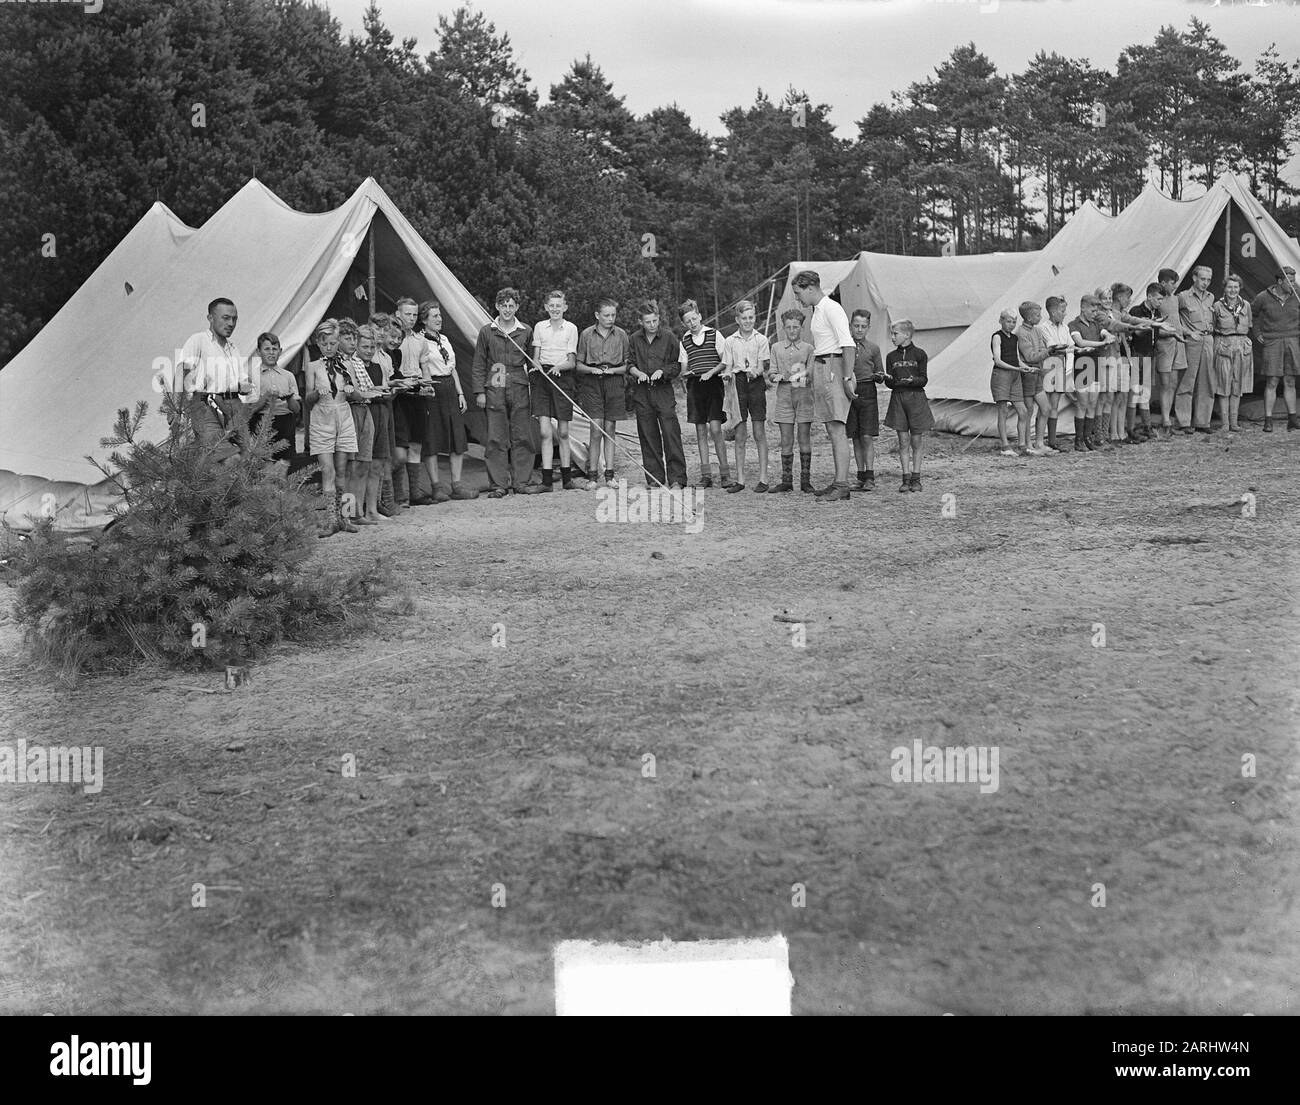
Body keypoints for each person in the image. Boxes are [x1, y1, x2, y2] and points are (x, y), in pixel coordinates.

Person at [790, 271, 856, 502]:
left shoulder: (832, 308)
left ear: (810, 288)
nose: (798, 299)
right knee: (831, 427)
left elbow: (848, 345)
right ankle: (838, 481)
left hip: (833, 368)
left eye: (798, 293)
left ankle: (843, 485)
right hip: (821, 366)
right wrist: (809, 371)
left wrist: (847, 378)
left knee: (838, 428)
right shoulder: (817, 311)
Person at [473, 287, 539, 497]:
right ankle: (499, 484)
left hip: (519, 384)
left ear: (517, 307)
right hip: (495, 385)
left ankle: (521, 481)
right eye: (504, 305)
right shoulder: (487, 331)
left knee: (522, 436)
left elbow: (533, 363)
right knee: (496, 437)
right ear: (497, 306)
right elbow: (479, 363)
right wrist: (479, 392)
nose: (507, 310)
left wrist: (534, 391)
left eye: (511, 306)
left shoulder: (526, 330)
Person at [302, 319, 359, 535]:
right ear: (318, 343)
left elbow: (356, 393)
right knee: (328, 470)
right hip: (322, 417)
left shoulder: (347, 365)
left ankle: (345, 517)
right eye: (325, 343)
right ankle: (330, 520)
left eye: (334, 343)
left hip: (343, 415)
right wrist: (317, 393)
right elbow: (307, 399)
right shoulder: (313, 367)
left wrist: (352, 390)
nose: (330, 347)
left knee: (344, 470)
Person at [174, 298, 251, 456]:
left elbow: (242, 380)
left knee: (247, 455)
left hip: (234, 406)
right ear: (210, 318)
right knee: (226, 457)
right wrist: (176, 410)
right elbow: (181, 372)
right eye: (226, 318)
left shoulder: (233, 347)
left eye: (234, 319)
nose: (231, 323)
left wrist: (244, 385)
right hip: (206, 407)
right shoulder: (198, 340)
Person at [418, 301, 477, 501]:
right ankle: (436, 486)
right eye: (434, 316)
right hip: (432, 389)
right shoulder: (419, 340)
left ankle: (456, 485)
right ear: (424, 320)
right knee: (432, 437)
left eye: (440, 315)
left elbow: (452, 369)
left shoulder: (444, 339)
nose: (439, 319)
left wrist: (461, 394)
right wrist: (427, 389)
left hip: (450, 388)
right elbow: (423, 367)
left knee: (457, 435)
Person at [678, 299, 738, 490]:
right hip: (696, 387)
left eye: (694, 319)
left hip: (713, 385)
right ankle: (706, 476)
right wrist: (685, 374)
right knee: (700, 431)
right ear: (683, 323)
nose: (692, 324)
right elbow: (684, 366)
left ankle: (725, 474)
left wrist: (711, 372)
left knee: (715, 429)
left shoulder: (714, 334)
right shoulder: (685, 340)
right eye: (687, 321)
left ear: (700, 316)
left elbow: (725, 361)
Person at [628, 301, 687, 489]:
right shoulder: (634, 339)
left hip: (663, 392)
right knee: (648, 435)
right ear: (641, 322)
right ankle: (654, 478)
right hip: (642, 393)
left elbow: (676, 365)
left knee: (671, 434)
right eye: (648, 322)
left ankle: (677, 478)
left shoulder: (669, 337)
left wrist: (662, 372)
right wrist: (638, 373)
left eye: (655, 321)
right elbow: (629, 364)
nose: (652, 325)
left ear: (659, 319)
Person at [530, 290, 585, 491]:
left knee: (562, 431)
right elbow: (536, 356)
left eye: (558, 305)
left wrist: (558, 368)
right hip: (542, 379)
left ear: (565, 307)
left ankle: (567, 479)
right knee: (545, 432)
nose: (555, 309)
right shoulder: (539, 327)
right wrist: (538, 367)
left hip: (563, 378)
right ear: (546, 307)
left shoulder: (571, 328)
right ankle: (546, 481)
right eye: (551, 305)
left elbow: (571, 361)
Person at [576, 298, 632, 488]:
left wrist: (612, 371)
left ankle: (610, 475)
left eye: (613, 315)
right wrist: (592, 370)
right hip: (592, 382)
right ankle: (592, 475)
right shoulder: (586, 335)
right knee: (595, 427)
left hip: (614, 381)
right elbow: (579, 364)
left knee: (610, 428)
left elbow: (627, 365)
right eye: (606, 315)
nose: (610, 319)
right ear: (597, 316)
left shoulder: (622, 335)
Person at [722, 300, 772, 492]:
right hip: (738, 384)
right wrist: (727, 375)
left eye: (751, 317)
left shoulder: (761, 339)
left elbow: (761, 366)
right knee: (740, 433)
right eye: (744, 318)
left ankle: (763, 479)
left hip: (755, 383)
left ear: (755, 318)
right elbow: (728, 366)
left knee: (759, 432)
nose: (748, 321)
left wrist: (756, 373)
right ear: (737, 319)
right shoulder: (730, 341)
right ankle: (741, 480)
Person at [768, 308, 816, 493]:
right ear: (783, 328)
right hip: (784, 398)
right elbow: (771, 374)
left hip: (803, 397)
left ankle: (806, 481)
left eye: (796, 327)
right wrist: (778, 376)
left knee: (804, 437)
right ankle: (786, 481)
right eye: (788, 327)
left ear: (801, 328)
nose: (792, 330)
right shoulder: (776, 347)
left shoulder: (809, 348)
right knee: (786, 439)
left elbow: (811, 376)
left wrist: (799, 376)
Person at [883, 319, 933, 492]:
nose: (892, 337)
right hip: (898, 399)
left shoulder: (920, 354)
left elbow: (924, 379)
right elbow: (891, 382)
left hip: (916, 399)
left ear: (907, 335)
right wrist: (886, 379)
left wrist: (913, 381)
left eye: (895, 334)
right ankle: (905, 478)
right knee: (903, 440)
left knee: (916, 440)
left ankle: (916, 477)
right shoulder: (891, 357)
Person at [391, 297, 432, 506]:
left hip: (416, 394)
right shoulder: (393, 338)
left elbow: (425, 367)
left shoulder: (420, 340)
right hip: (399, 396)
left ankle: (414, 493)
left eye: (415, 315)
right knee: (400, 445)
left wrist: (428, 385)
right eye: (407, 314)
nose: (411, 318)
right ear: (398, 314)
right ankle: (399, 495)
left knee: (416, 443)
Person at [352, 324, 393, 523]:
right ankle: (355, 510)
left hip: (381, 413)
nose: (369, 351)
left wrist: (390, 392)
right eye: (365, 347)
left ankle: (372, 510)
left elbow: (386, 392)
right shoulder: (353, 367)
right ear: (357, 346)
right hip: (364, 412)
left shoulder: (378, 367)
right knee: (360, 465)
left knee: (377, 464)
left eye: (372, 347)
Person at [1251, 265, 1300, 432]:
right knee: (1272, 381)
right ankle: (1268, 419)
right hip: (1272, 341)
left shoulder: (1297, 294)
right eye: (1290, 282)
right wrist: (1257, 332)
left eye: (1294, 281)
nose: (1293, 285)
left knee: (1290, 380)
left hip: (1292, 340)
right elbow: (1253, 315)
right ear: (1279, 281)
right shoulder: (1263, 297)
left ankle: (1292, 419)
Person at [248, 332, 300, 462]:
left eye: (274, 349)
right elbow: (250, 409)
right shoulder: (252, 377)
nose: (271, 353)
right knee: (262, 464)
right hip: (262, 423)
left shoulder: (289, 376)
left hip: (286, 423)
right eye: (267, 349)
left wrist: (289, 399)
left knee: (286, 464)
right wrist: (266, 397)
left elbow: (297, 409)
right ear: (258, 352)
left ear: (280, 351)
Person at [847, 309, 885, 487]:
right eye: (856, 326)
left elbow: (880, 371)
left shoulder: (873, 348)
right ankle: (860, 475)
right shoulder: (845, 347)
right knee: (855, 436)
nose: (859, 330)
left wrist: (878, 376)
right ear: (850, 326)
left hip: (868, 391)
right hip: (849, 392)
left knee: (867, 436)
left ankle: (870, 476)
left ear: (868, 328)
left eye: (863, 326)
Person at [1177, 265, 1217, 434]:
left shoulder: (1211, 297)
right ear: (1194, 278)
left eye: (1208, 280)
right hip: (1192, 341)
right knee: (1188, 380)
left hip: (1207, 340)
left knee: (1206, 381)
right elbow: (1175, 320)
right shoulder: (1183, 297)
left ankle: (1203, 421)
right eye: (1202, 279)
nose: (1205, 283)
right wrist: (1188, 332)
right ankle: (1184, 421)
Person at [1212, 274, 1253, 433]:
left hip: (1242, 346)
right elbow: (1213, 326)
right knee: (1223, 385)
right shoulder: (1217, 306)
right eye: (1229, 287)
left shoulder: (1246, 305)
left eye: (1236, 287)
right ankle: (1224, 423)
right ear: (1224, 288)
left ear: (1240, 288)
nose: (1232, 290)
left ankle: (1234, 423)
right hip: (1224, 344)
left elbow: (1248, 325)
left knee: (1238, 385)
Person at [1068, 294, 1109, 452]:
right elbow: (1080, 342)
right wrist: (1102, 343)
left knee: (1093, 403)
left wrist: (1107, 336)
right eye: (1092, 310)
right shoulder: (1074, 325)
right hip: (1082, 366)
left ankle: (1087, 437)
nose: (1094, 313)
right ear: (1083, 307)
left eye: (1096, 310)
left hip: (1096, 364)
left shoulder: (1096, 324)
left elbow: (1105, 332)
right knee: (1082, 403)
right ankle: (1078, 440)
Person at [1035, 296, 1074, 452]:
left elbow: (1070, 345)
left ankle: (1052, 440)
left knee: (1055, 404)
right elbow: (1053, 345)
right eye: (1062, 311)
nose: (1064, 314)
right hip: (1048, 365)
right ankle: (1040, 439)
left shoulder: (1065, 328)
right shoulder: (1044, 327)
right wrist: (1065, 348)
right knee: (1045, 404)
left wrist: (1069, 349)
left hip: (1060, 365)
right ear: (1052, 311)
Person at [1015, 302, 1055, 453]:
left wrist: (1046, 352)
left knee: (1046, 408)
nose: (1040, 317)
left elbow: (1041, 349)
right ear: (1029, 317)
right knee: (1029, 410)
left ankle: (1039, 442)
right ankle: (1027, 444)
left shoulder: (1037, 331)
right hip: (1027, 375)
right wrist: (1048, 353)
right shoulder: (1021, 333)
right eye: (1037, 315)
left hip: (1037, 373)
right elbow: (1030, 356)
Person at [991, 308, 1029, 457]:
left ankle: (1022, 445)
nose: (1011, 324)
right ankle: (1005, 445)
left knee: (1023, 410)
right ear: (1001, 321)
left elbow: (1017, 358)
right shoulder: (997, 337)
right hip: (1001, 375)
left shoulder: (1014, 338)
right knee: (1003, 410)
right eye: (1008, 321)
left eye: (1014, 321)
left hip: (1014, 375)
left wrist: (1027, 368)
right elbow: (998, 359)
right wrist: (1015, 367)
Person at [1154, 268, 1186, 436]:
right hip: (1164, 344)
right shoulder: (1157, 301)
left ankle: (1168, 419)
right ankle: (1165, 419)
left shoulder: (1175, 299)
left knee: (1173, 383)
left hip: (1178, 343)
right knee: (1165, 384)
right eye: (1172, 283)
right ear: (1163, 283)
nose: (1174, 287)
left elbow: (1178, 319)